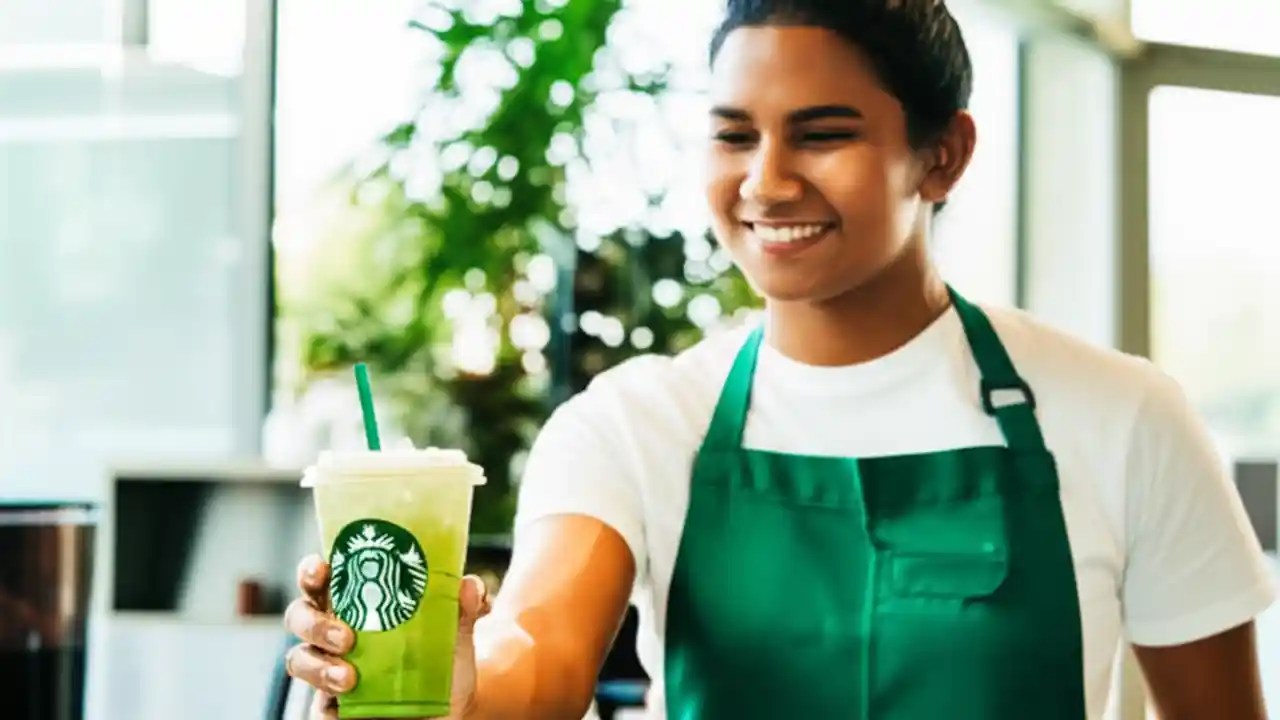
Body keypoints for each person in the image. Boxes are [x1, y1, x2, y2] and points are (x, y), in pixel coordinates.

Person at [283, 1, 1278, 717]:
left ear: (942, 155)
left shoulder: (1122, 417)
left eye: (821, 134)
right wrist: (451, 674)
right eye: (731, 136)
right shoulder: (634, 423)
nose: (765, 181)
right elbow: (537, 657)